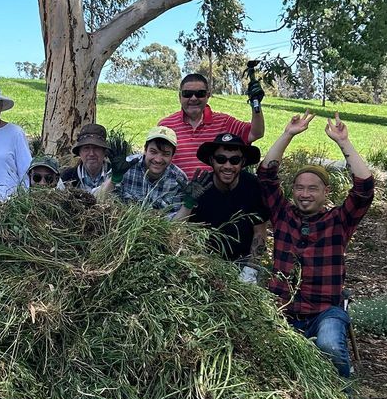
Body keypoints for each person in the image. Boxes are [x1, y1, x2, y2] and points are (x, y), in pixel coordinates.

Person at [257, 111, 374, 379]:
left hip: (324, 312)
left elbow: (364, 188)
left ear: (325, 192)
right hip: (282, 309)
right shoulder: (283, 215)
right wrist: (287, 134)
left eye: (312, 188)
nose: (304, 194)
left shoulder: (338, 221)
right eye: (299, 188)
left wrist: (344, 143)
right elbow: (265, 175)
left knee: (329, 345)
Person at [173, 132, 268, 281]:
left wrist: (252, 268)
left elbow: (260, 231)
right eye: (221, 159)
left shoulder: (252, 186)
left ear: (242, 162)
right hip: (204, 263)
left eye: (234, 160)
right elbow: (178, 230)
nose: (228, 166)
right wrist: (189, 203)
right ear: (212, 160)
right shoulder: (201, 187)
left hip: (242, 264)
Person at [158, 71, 265, 177]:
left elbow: (256, 133)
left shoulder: (225, 122)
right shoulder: (166, 126)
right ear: (180, 96)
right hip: (176, 192)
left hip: (215, 192)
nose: (194, 98)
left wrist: (256, 104)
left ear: (208, 95)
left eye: (200, 93)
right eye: (187, 94)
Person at [98, 126, 186, 216]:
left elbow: (176, 224)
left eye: (165, 154)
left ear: (172, 156)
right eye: (153, 152)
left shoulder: (178, 179)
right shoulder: (124, 166)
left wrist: (189, 204)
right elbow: (99, 202)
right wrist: (115, 178)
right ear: (145, 150)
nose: (158, 160)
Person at [61, 123, 111, 192]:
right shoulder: (67, 177)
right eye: (86, 148)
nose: (91, 154)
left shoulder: (114, 175)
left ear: (104, 152)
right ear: (79, 153)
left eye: (96, 148)